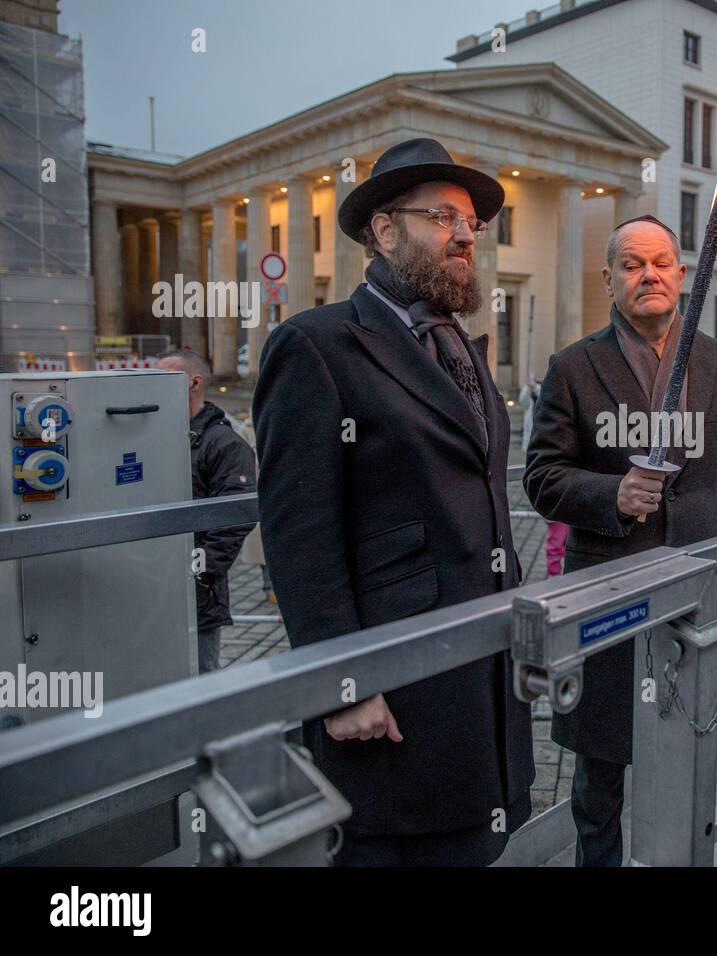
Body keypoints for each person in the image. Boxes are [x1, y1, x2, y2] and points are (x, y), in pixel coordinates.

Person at [253, 138, 534, 866]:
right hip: (393, 692)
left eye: (472, 222)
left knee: (478, 842)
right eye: (444, 217)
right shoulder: (315, 346)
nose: (466, 235)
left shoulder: (464, 345)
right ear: (385, 231)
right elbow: (298, 533)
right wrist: (341, 683)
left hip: (484, 676)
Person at [523, 214, 717, 867]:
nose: (648, 274)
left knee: (693, 755)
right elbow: (541, 478)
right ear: (609, 279)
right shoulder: (572, 368)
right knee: (600, 777)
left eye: (660, 261)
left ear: (683, 273)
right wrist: (610, 494)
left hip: (701, 598)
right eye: (631, 264)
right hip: (609, 600)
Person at [155, 348, 257, 674]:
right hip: (152, 579)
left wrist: (199, 571)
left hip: (196, 590)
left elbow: (236, 514)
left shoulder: (222, 443)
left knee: (201, 675)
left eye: (163, 377)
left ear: (193, 382)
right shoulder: (155, 437)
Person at [232, 414, 274, 605]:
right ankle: (269, 588)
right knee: (264, 550)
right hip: (257, 493)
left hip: (276, 494)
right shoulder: (246, 430)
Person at [518, 372, 540, 452]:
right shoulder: (527, 389)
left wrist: (535, 387)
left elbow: (541, 395)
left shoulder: (540, 387)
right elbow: (522, 400)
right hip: (530, 421)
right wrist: (528, 388)